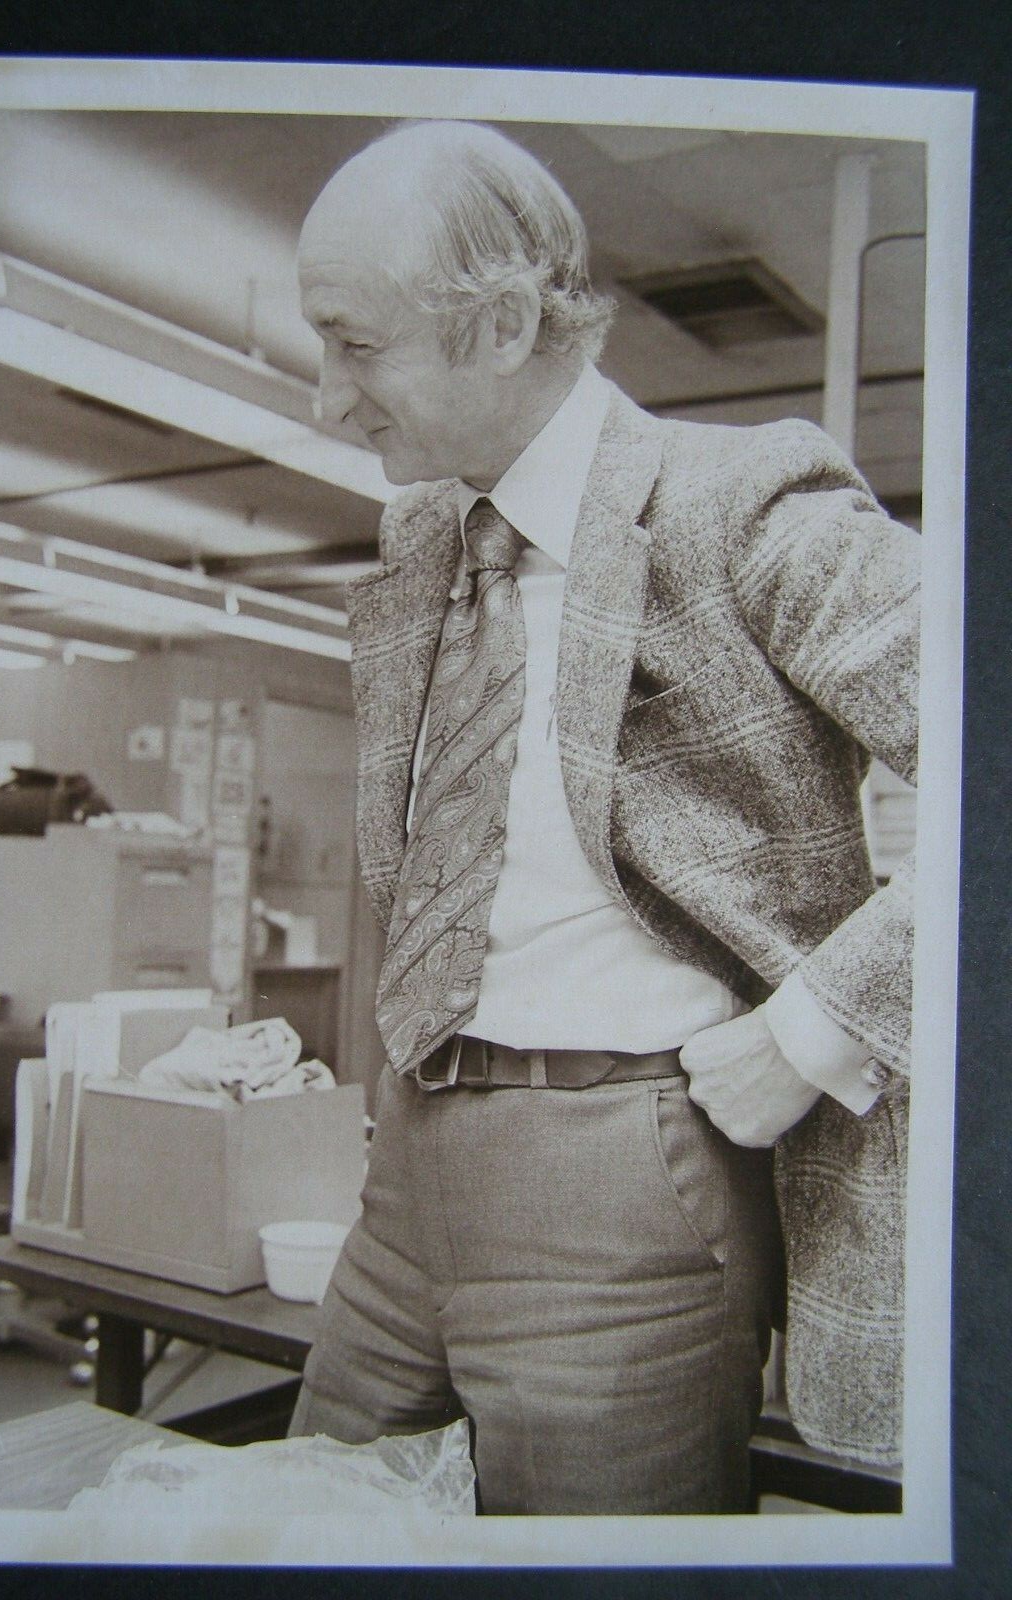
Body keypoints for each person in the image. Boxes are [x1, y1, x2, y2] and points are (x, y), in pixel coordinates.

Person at [287, 119, 917, 1514]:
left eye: (356, 345)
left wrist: (818, 1031)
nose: (330, 402)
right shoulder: (427, 540)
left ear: (503, 325)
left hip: (626, 1184)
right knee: (314, 1537)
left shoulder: (741, 506)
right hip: (408, 1174)